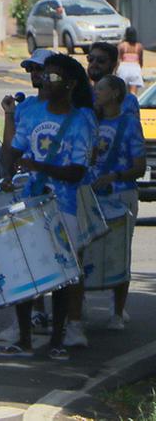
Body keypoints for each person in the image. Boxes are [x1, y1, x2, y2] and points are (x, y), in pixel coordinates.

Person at [0, 53, 95, 361]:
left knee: (62, 275)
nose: (44, 81)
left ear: (70, 84)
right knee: (25, 269)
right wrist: (8, 170)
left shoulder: (81, 120)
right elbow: (14, 150)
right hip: (30, 200)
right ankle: (24, 338)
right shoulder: (33, 114)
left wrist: (38, 165)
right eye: (44, 76)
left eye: (53, 77)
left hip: (63, 205)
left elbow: (78, 171)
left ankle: (57, 339)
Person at [90, 74, 144, 330]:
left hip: (121, 194)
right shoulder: (91, 121)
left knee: (120, 253)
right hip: (93, 195)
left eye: (101, 89)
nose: (96, 93)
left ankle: (118, 311)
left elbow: (139, 166)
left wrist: (116, 175)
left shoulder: (130, 124)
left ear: (114, 94)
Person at [87, 42, 140, 117]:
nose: (94, 64)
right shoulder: (81, 96)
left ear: (114, 64)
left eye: (101, 60)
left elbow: (132, 127)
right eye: (90, 59)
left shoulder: (128, 101)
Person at [117, 27, 144, 94]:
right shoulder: (139, 46)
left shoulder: (122, 46)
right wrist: (140, 69)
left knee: (123, 92)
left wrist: (116, 70)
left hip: (124, 68)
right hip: (135, 68)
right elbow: (140, 60)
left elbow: (118, 60)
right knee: (133, 94)